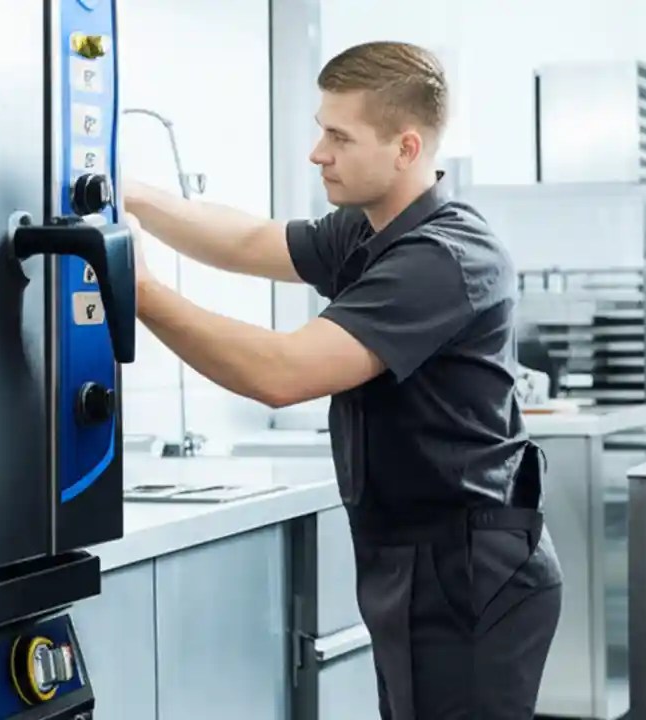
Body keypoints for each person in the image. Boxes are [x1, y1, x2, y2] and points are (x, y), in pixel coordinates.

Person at [122, 41, 563, 719]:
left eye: (338, 136)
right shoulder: (368, 231)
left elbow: (282, 373)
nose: (316, 152)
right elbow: (248, 242)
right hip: (416, 559)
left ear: (406, 149)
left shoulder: (441, 258)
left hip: (465, 574)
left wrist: (137, 289)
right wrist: (123, 195)